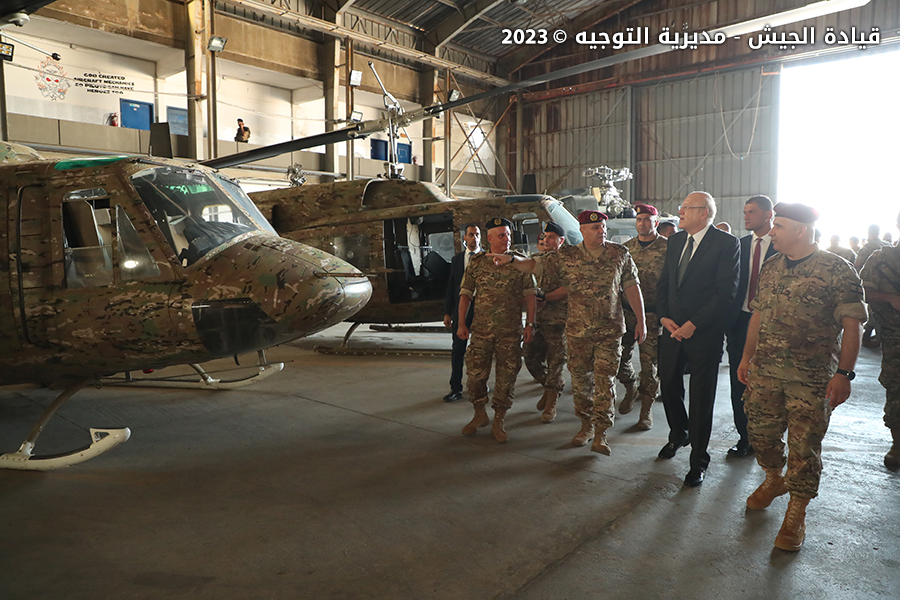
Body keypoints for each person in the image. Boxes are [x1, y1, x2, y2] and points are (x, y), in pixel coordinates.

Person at [738, 202, 866, 552]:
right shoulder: (772, 266)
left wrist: (844, 373)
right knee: (761, 435)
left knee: (804, 447)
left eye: (778, 225)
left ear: (801, 230)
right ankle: (774, 478)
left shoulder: (837, 269)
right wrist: (747, 356)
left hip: (810, 379)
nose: (772, 230)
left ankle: (796, 512)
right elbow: (758, 316)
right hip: (765, 372)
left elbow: (851, 325)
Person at [492, 210, 646, 455]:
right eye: (594, 228)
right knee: (581, 382)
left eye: (603, 227)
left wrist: (641, 320)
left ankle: (601, 433)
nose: (601, 231)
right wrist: (511, 260)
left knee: (605, 382)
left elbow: (632, 287)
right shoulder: (567, 256)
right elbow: (533, 265)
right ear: (582, 230)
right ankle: (585, 426)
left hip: (610, 331)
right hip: (578, 332)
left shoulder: (619, 254)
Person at [656, 191, 740, 487]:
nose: (680, 211)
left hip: (704, 333)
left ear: (704, 213)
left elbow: (725, 292)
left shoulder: (726, 244)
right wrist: (663, 316)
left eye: (686, 208)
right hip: (671, 329)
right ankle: (679, 433)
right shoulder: (676, 240)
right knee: (667, 385)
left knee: (701, 398)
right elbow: (666, 281)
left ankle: (698, 461)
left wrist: (694, 324)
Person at [457, 218, 536, 443]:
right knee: (474, 376)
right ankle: (480, 414)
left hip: (510, 332)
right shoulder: (477, 263)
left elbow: (530, 295)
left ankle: (499, 420)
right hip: (481, 331)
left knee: (506, 378)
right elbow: (465, 294)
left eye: (508, 234)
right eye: (501, 235)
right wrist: (461, 323)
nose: (507, 238)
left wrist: (530, 324)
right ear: (489, 238)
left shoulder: (520, 262)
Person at [724, 195, 778, 458]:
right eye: (744, 212)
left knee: (770, 383)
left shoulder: (782, 246)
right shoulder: (740, 245)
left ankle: (772, 437)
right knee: (740, 381)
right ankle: (745, 438)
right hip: (740, 322)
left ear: (768, 215)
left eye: (752, 212)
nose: (746, 216)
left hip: (773, 326)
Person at [616, 203, 667, 430]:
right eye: (639, 219)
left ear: (656, 223)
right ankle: (630, 387)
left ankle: (646, 410)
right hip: (627, 314)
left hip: (653, 315)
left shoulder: (668, 249)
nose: (642, 223)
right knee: (619, 359)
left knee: (650, 365)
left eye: (647, 219)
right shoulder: (626, 249)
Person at [859, 211, 900, 470]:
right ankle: (898, 444)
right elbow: (860, 288)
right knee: (895, 387)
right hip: (894, 335)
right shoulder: (881, 258)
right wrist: (890, 299)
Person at [523, 223, 569, 422]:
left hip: (559, 320)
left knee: (556, 362)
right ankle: (551, 388)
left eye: (552, 237)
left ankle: (550, 404)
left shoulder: (568, 261)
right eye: (546, 236)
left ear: (561, 240)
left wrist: (546, 297)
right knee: (531, 359)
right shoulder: (536, 260)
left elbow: (568, 287)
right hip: (538, 320)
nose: (547, 240)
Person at [442, 224, 481, 402]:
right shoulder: (457, 260)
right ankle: (455, 387)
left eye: (477, 234)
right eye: (471, 235)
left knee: (481, 350)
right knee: (458, 349)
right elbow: (451, 286)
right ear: (464, 238)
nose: (474, 238)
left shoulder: (487, 258)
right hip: (461, 310)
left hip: (482, 310)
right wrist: (447, 312)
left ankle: (480, 384)